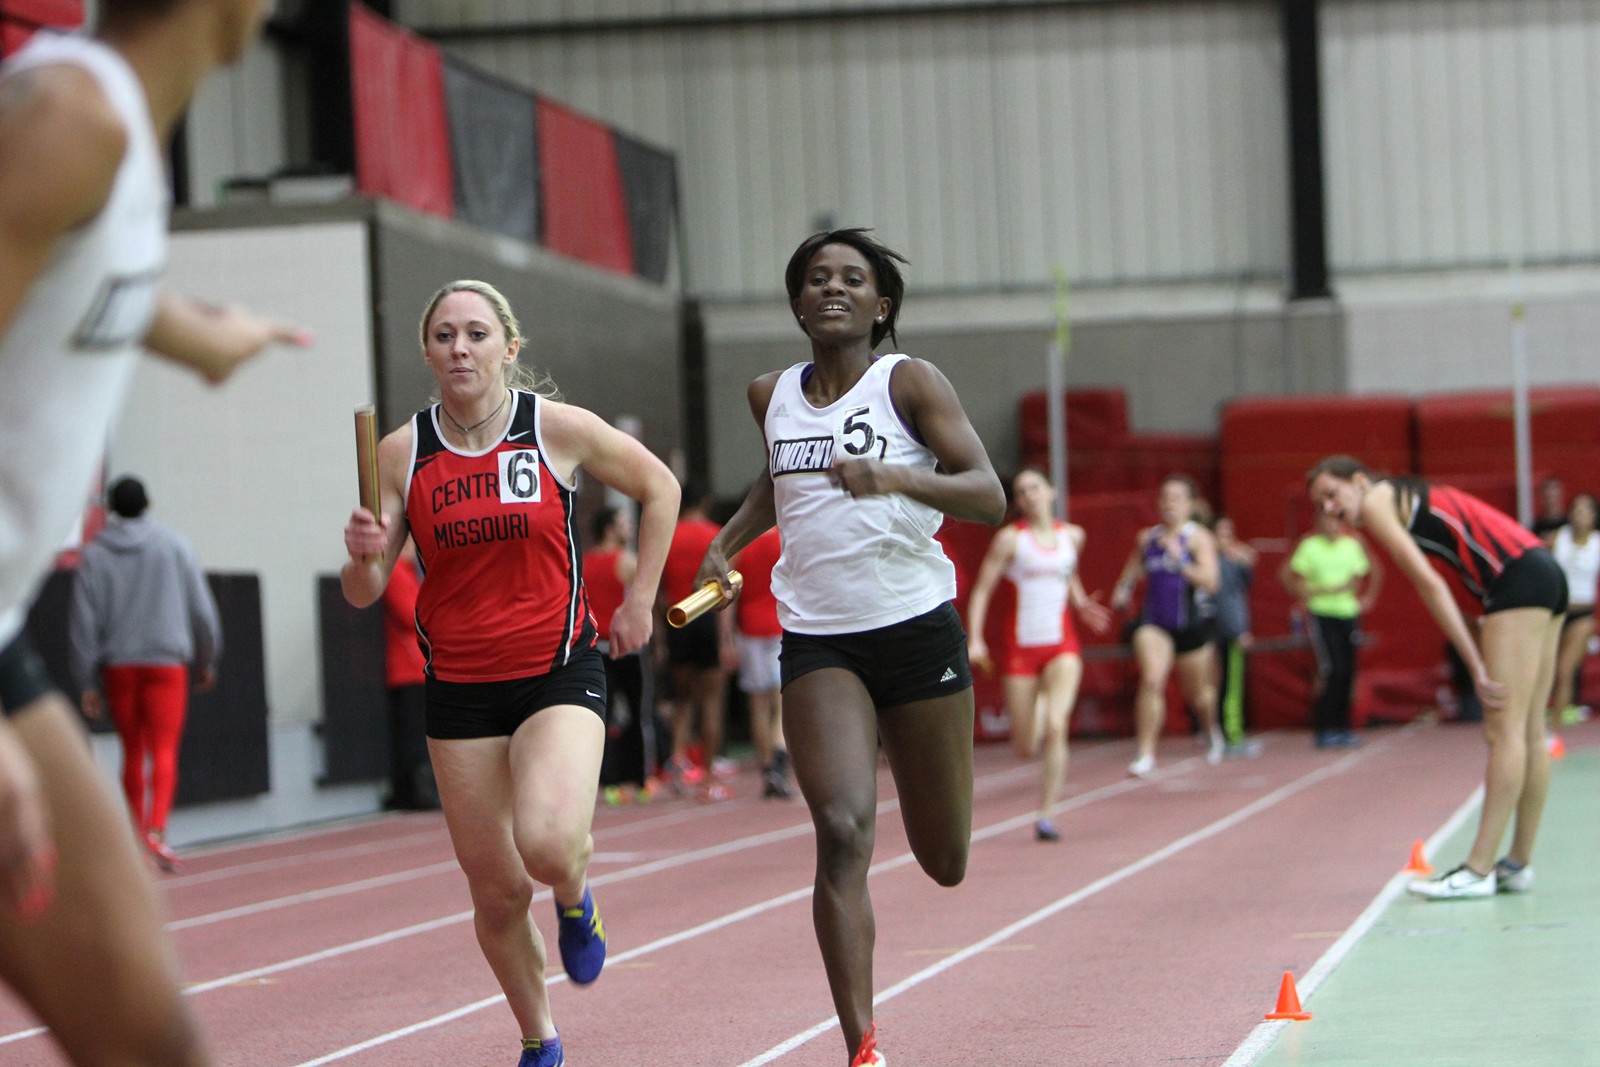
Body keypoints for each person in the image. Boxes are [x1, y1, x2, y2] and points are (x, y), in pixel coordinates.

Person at [0, 2, 307, 1064]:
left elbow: (97, 286)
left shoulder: (111, 133)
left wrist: (211, 337)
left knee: (150, 1039)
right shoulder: (68, 116)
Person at [340, 279, 679, 1067]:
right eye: (445, 335)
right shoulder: (401, 451)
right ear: (426, 350)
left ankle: (575, 896)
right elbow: (363, 593)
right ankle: (540, 1039)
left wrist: (639, 601)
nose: (461, 347)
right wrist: (361, 555)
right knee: (495, 890)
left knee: (551, 843)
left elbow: (659, 486)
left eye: (477, 334)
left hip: (557, 670)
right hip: (459, 688)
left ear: (509, 348)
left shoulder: (553, 428)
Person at [691, 228, 1005, 1067]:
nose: (833, 288)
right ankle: (862, 1047)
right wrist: (728, 538)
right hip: (821, 638)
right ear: (797, 303)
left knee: (944, 860)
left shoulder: (910, 383)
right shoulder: (771, 394)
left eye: (852, 278)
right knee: (840, 826)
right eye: (817, 278)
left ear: (881, 304)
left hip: (915, 630)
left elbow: (988, 493)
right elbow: (776, 480)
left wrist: (899, 474)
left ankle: (932, 853)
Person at [1306, 456, 1566, 900]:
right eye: (1320, 504)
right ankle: (1516, 864)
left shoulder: (1376, 503)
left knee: (1503, 730)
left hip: (1516, 579)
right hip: (1544, 573)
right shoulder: (1404, 497)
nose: (1330, 509)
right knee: (1528, 729)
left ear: (1361, 481)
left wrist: (1475, 663)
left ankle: (1478, 869)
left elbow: (1429, 583)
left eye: (1333, 494)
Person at [67, 475, 222, 871]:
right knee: (165, 749)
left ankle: (138, 839)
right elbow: (202, 609)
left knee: (133, 750)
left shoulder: (95, 554)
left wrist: (85, 678)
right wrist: (208, 657)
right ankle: (157, 831)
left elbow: (83, 622)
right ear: (148, 501)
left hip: (119, 666)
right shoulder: (174, 546)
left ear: (112, 508)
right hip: (167, 662)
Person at [964, 467, 1111, 841]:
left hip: (1062, 645)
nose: (1028, 496)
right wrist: (975, 639)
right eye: (1021, 492)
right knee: (1025, 745)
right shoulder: (1011, 541)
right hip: (1022, 650)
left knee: (1058, 726)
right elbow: (982, 590)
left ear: (1052, 492)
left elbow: (1066, 575)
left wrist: (1080, 604)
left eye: (1034, 488)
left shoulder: (1072, 536)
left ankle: (1047, 814)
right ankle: (1042, 705)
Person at [1109, 475, 1223, 776]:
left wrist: (1181, 561)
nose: (1169, 504)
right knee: (1152, 679)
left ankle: (1211, 730)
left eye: (1176, 498)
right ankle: (1145, 752)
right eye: (1165, 498)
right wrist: (1122, 590)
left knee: (1200, 695)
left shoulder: (1198, 538)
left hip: (1190, 623)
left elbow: (1211, 582)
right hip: (1154, 623)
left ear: (1190, 504)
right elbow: (1132, 570)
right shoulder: (1148, 538)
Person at [1279, 508, 1383, 748]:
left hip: (1347, 612)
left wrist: (1367, 597)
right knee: (1331, 669)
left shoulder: (1352, 544)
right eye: (1327, 521)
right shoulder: (1310, 546)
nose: (1332, 526)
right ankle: (1324, 727)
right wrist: (1307, 593)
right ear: (1318, 523)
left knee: (1348, 670)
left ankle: (1345, 726)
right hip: (1322, 613)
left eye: (1336, 521)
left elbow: (1366, 574)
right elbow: (1289, 575)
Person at [659, 485, 737, 797]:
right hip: (707, 617)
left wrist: (660, 639)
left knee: (682, 700)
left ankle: (677, 767)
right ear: (704, 502)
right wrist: (726, 638)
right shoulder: (716, 535)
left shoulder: (669, 535)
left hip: (677, 617)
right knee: (712, 701)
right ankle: (707, 778)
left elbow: (660, 591)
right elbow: (725, 590)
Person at [584, 505, 658, 794]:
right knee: (639, 713)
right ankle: (640, 778)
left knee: (601, 715)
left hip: (596, 648)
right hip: (626, 647)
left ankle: (606, 780)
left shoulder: (585, 563)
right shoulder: (626, 562)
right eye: (623, 523)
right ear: (609, 529)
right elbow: (645, 602)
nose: (629, 528)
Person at [732, 524, 792, 799]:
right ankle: (779, 762)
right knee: (781, 703)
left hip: (749, 628)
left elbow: (728, 590)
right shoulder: (785, 538)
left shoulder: (742, 543)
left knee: (757, 703)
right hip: (780, 625)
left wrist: (727, 636)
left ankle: (767, 767)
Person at [381, 538, 436, 810]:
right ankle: (413, 792)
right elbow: (411, 613)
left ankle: (414, 790)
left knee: (414, 734)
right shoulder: (397, 572)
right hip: (407, 667)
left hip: (414, 666)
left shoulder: (408, 572)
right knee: (411, 737)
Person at [1211, 514, 1261, 758]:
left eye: (1230, 534)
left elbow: (1242, 591)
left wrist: (1245, 563)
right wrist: (1238, 630)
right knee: (1226, 687)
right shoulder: (1213, 562)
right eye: (1221, 534)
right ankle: (1230, 735)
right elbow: (1225, 602)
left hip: (1229, 628)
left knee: (1230, 685)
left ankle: (1226, 733)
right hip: (1223, 630)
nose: (1227, 539)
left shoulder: (1234, 560)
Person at [1547, 493, 1597, 726]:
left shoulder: (1597, 543)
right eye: (1576, 509)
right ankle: (1536, 723)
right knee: (1546, 668)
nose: (1580, 515)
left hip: (1582, 614)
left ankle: (1555, 729)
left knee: (1565, 669)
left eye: (1586, 510)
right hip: (1556, 612)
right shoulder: (1558, 538)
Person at [1531, 476, 1568, 540]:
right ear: (1541, 497)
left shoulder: (1570, 523)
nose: (1551, 496)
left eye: (1554, 492)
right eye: (1548, 493)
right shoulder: (1536, 527)